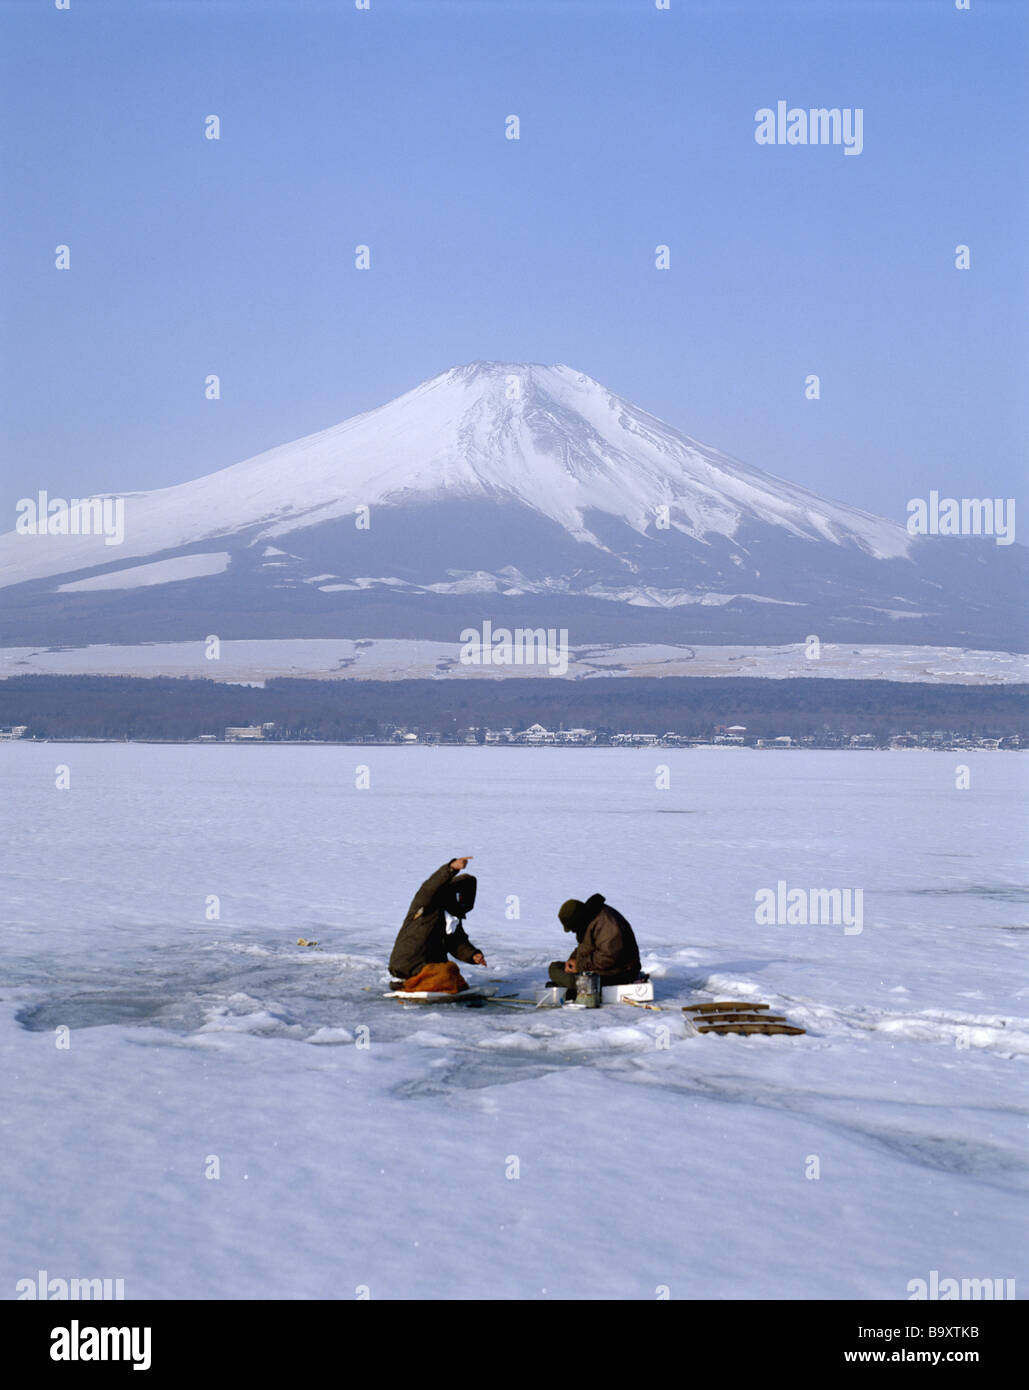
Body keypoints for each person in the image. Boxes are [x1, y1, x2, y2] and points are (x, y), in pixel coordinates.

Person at [389, 856, 487, 991]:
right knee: (447, 974)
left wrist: (472, 955)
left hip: (429, 965)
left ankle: (424, 985)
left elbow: (456, 943)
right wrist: (451, 868)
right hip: (408, 965)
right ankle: (408, 983)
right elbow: (430, 887)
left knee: (451, 973)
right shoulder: (425, 906)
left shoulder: (451, 919)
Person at [548, 893, 642, 1000]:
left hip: (620, 973)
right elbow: (585, 946)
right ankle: (570, 987)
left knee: (570, 979)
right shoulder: (588, 920)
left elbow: (608, 958)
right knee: (555, 967)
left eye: (573, 928)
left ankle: (572, 990)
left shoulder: (607, 923)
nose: (573, 931)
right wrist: (573, 960)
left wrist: (578, 965)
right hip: (600, 968)